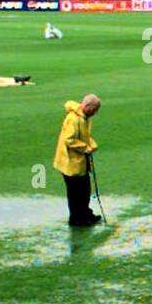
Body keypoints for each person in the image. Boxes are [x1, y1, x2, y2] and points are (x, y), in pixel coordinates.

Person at [53, 94, 102, 227]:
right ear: (87, 106)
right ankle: (76, 219)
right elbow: (69, 140)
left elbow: (85, 136)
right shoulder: (73, 119)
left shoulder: (85, 118)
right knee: (76, 193)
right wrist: (85, 147)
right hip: (70, 163)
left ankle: (85, 214)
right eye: (94, 109)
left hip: (79, 161)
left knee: (85, 190)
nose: (95, 113)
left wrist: (91, 145)